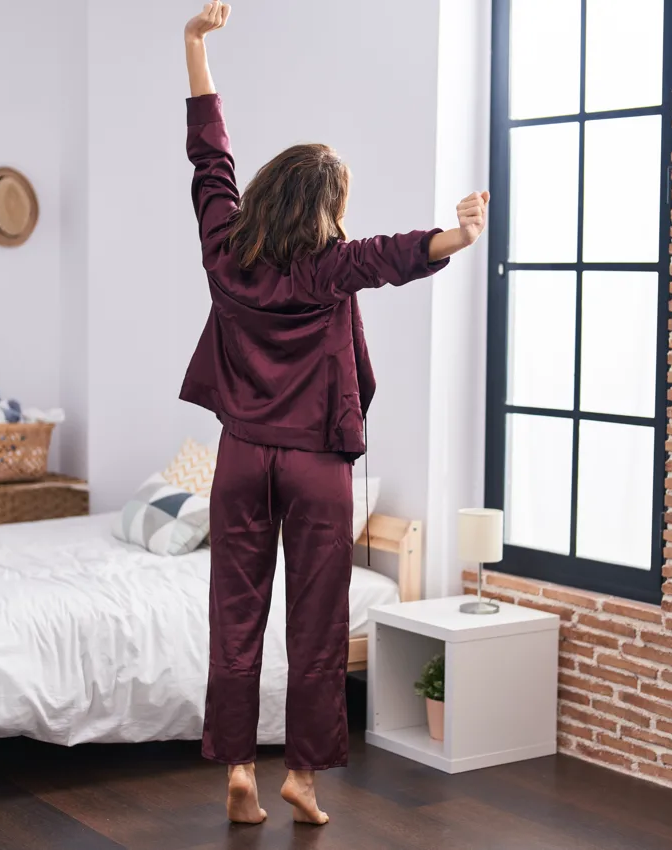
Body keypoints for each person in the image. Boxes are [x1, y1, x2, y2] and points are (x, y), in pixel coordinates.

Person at [179, 1, 489, 827]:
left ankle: (240, 768)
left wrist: (193, 45)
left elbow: (211, 157)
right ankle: (302, 780)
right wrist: (457, 237)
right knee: (316, 626)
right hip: (316, 467)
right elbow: (396, 256)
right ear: (322, 207)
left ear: (269, 193)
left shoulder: (226, 256)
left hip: (241, 459)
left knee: (234, 617)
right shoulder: (331, 268)